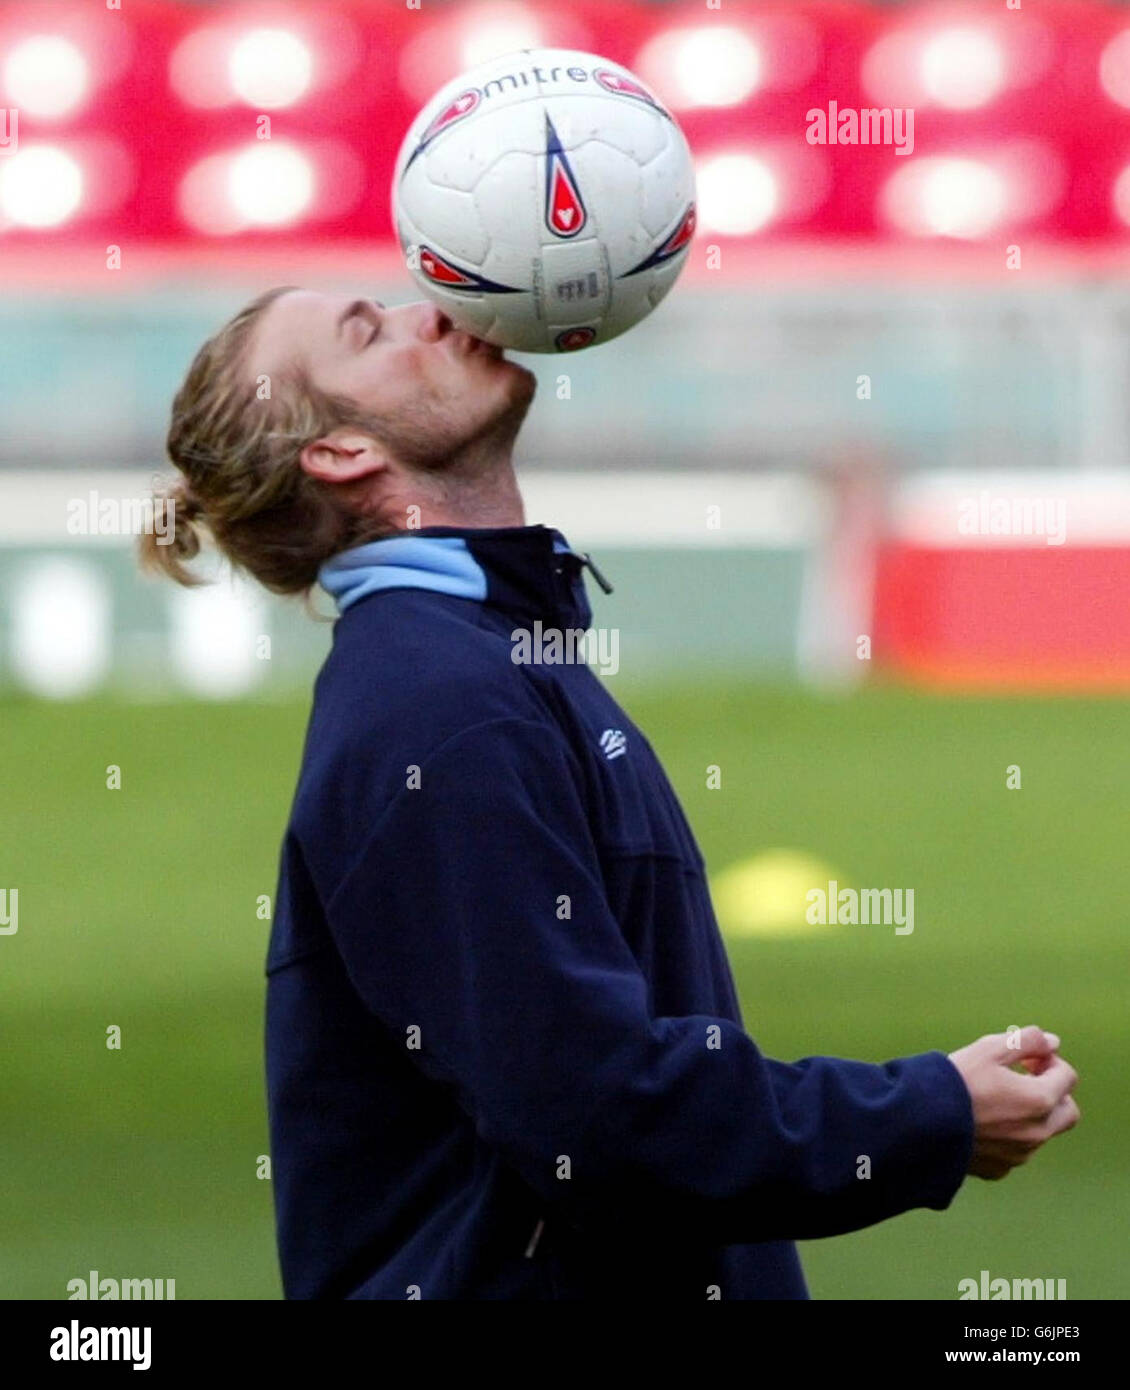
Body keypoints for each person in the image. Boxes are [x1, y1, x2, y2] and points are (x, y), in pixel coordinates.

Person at [140, 288, 1080, 1300]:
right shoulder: (434, 699)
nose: (436, 309)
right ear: (340, 454)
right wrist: (924, 1114)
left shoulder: (486, 656)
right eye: (369, 332)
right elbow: (593, 1115)